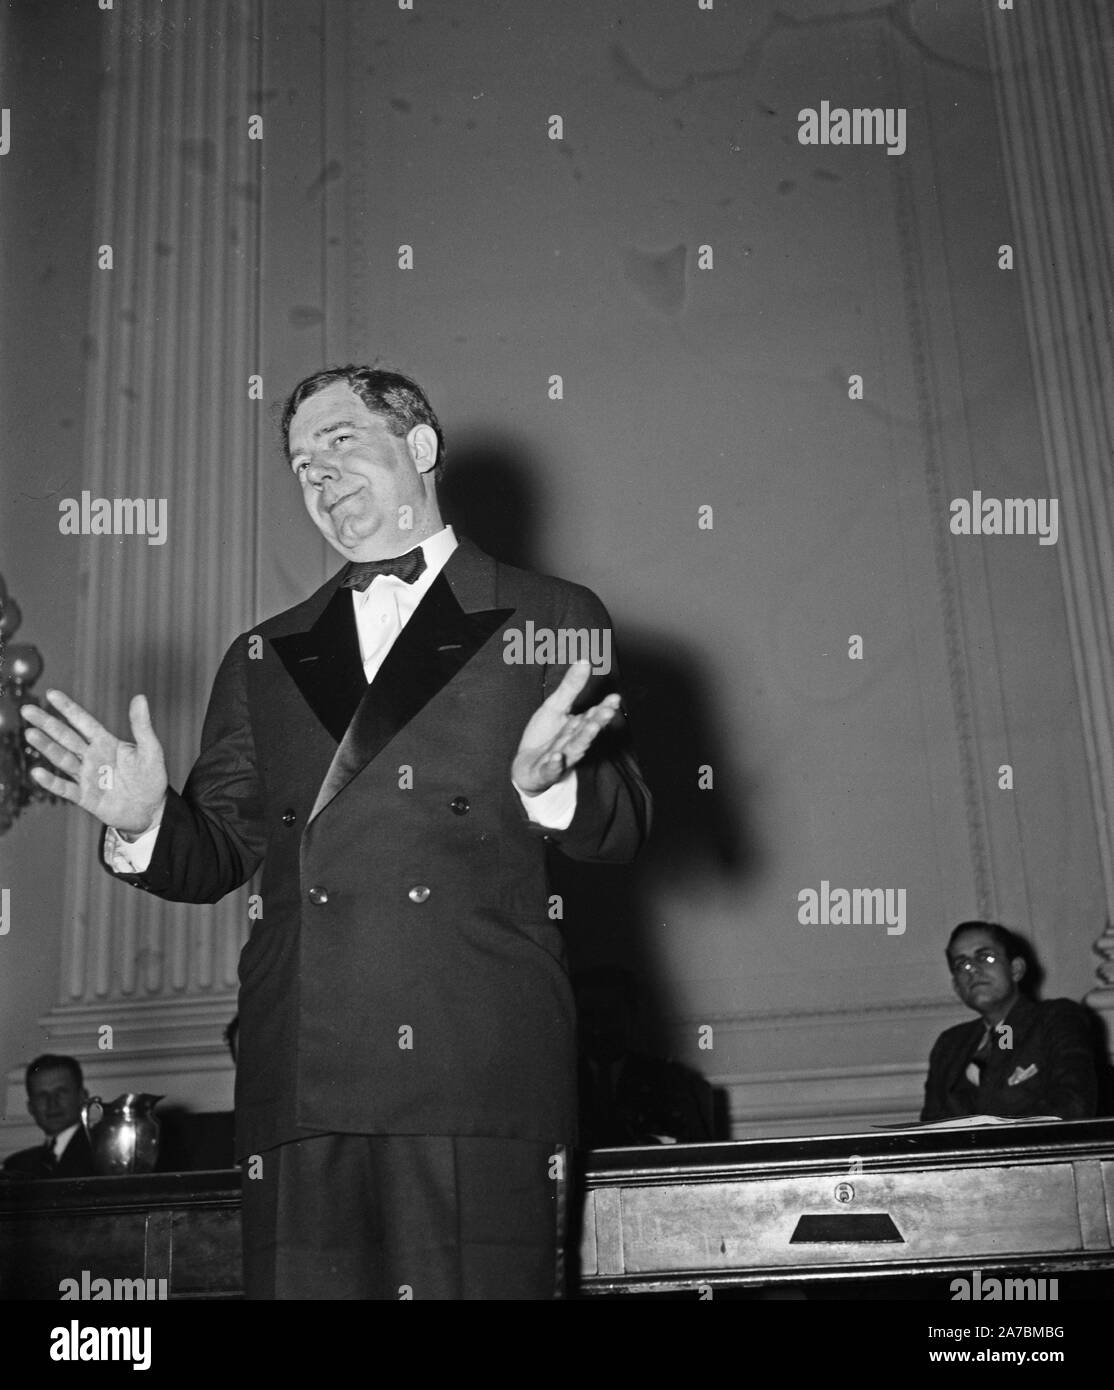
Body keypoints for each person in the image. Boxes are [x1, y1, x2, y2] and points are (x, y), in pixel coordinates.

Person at [22, 365, 651, 1299]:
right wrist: (149, 823)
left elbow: (628, 823)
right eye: (300, 464)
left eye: (340, 442)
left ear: (422, 447)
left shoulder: (551, 614)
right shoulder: (265, 654)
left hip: (472, 1061)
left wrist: (549, 791)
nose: (317, 475)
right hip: (303, 1072)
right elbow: (224, 850)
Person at [921, 921, 1097, 1122]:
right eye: (962, 964)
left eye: (985, 957)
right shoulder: (950, 1044)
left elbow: (1073, 1104)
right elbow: (929, 1127)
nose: (973, 971)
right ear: (956, 986)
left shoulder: (1055, 1018)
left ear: (1016, 969)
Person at [2, 1054, 96, 1178]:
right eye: (42, 1096)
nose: (52, 1103)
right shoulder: (17, 1166)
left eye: (61, 1092)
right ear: (31, 1107)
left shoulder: (101, 1153)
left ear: (82, 1097)